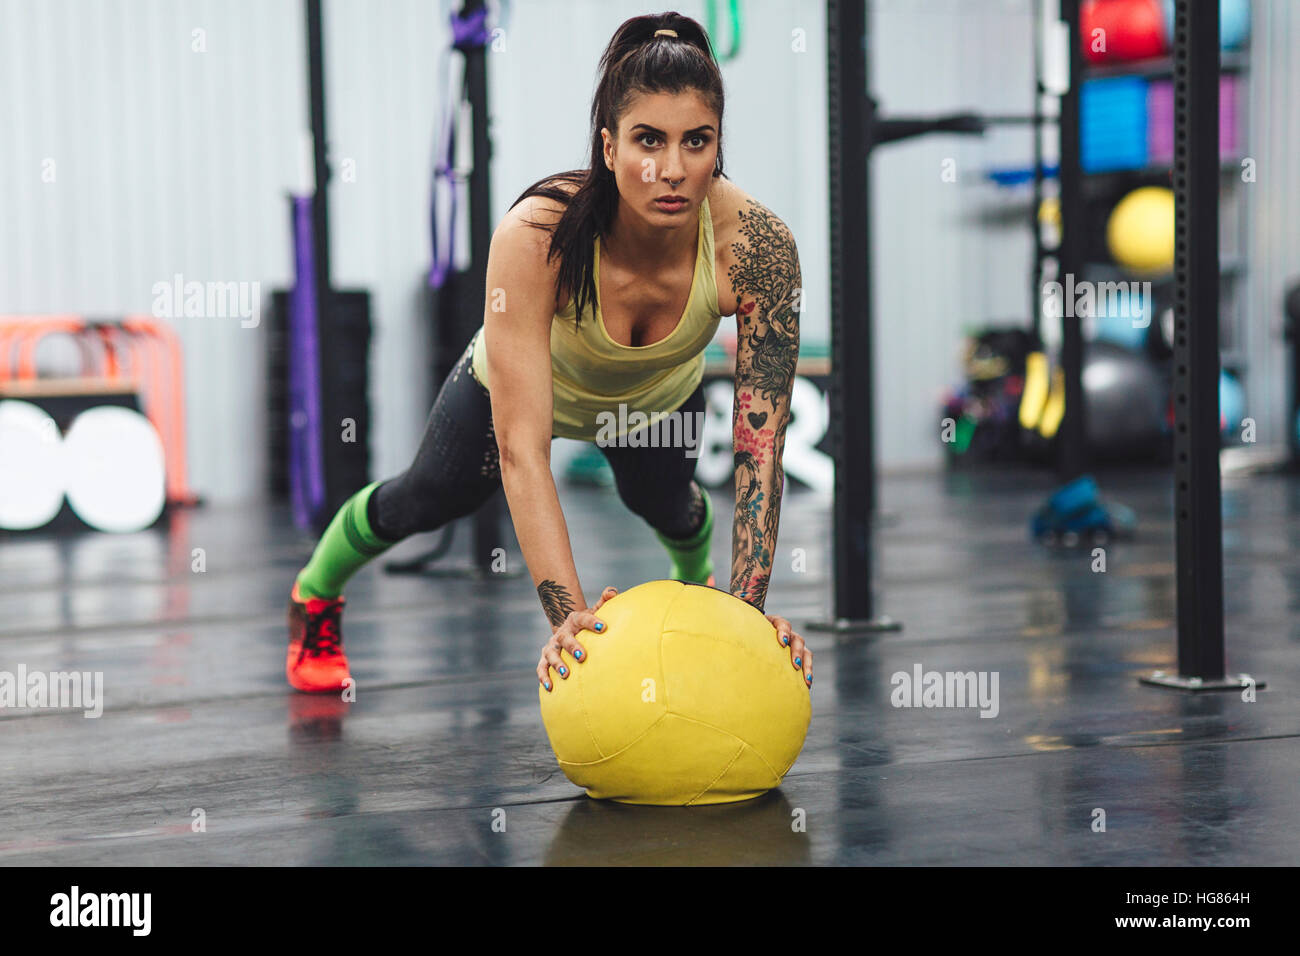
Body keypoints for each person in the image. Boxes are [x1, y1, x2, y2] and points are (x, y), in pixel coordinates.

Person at [285, 11, 813, 697]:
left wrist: (744, 619)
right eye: (648, 140)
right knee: (429, 497)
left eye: (697, 142)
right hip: (522, 393)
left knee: (668, 504)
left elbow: (761, 448)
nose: (672, 169)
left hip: (655, 401)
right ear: (608, 145)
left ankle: (700, 582)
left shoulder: (758, 248)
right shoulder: (537, 234)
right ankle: (315, 595)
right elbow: (524, 452)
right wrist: (572, 621)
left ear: (718, 146)